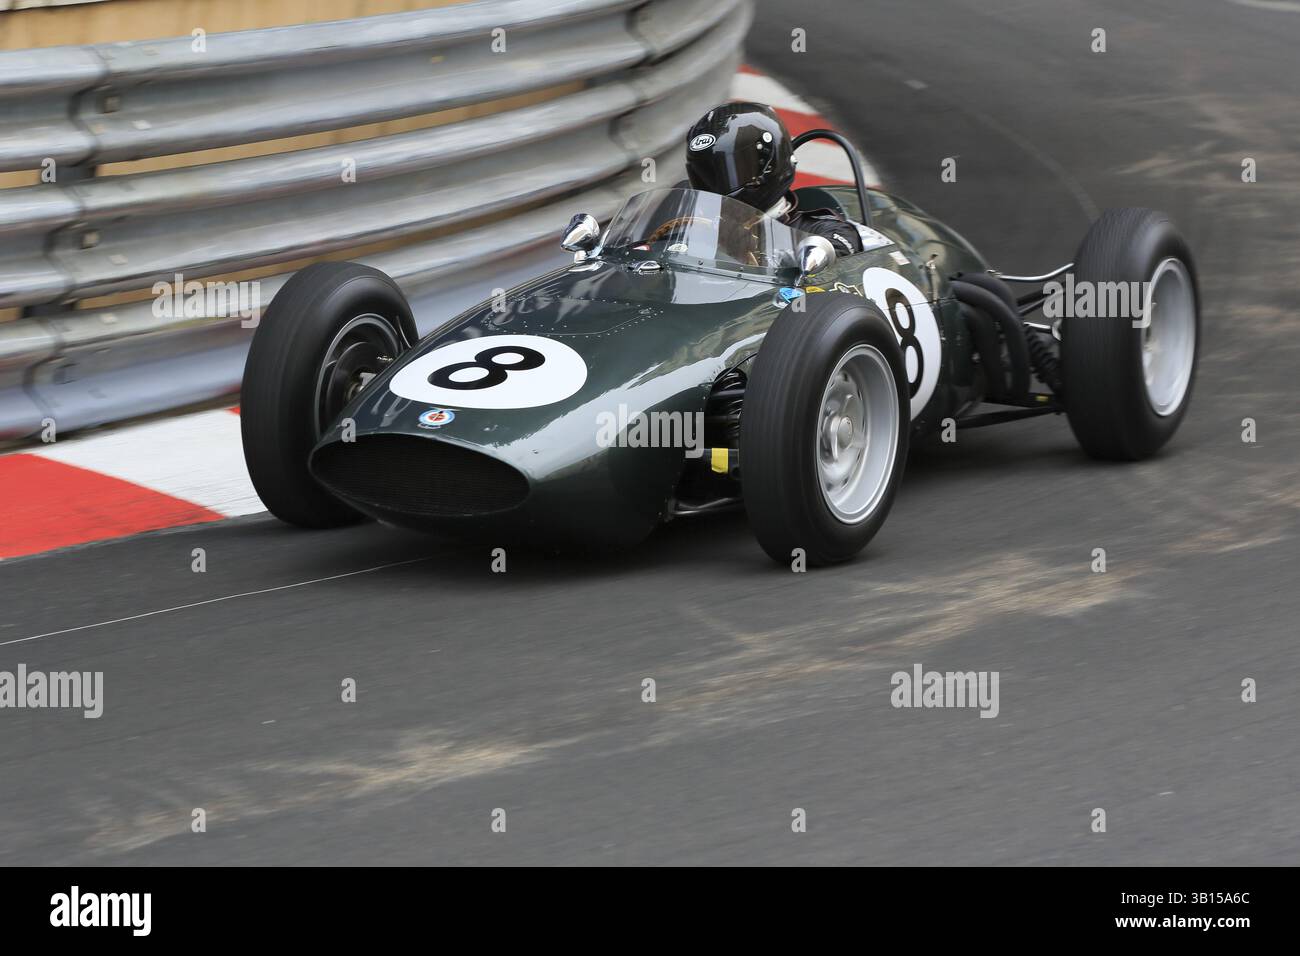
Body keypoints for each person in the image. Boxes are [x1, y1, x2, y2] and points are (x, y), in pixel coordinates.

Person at [683, 102, 864, 257]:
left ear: (768, 165)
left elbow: (841, 248)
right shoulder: (690, 227)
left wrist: (754, 253)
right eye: (706, 175)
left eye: (727, 173)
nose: (715, 186)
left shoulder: (821, 231)